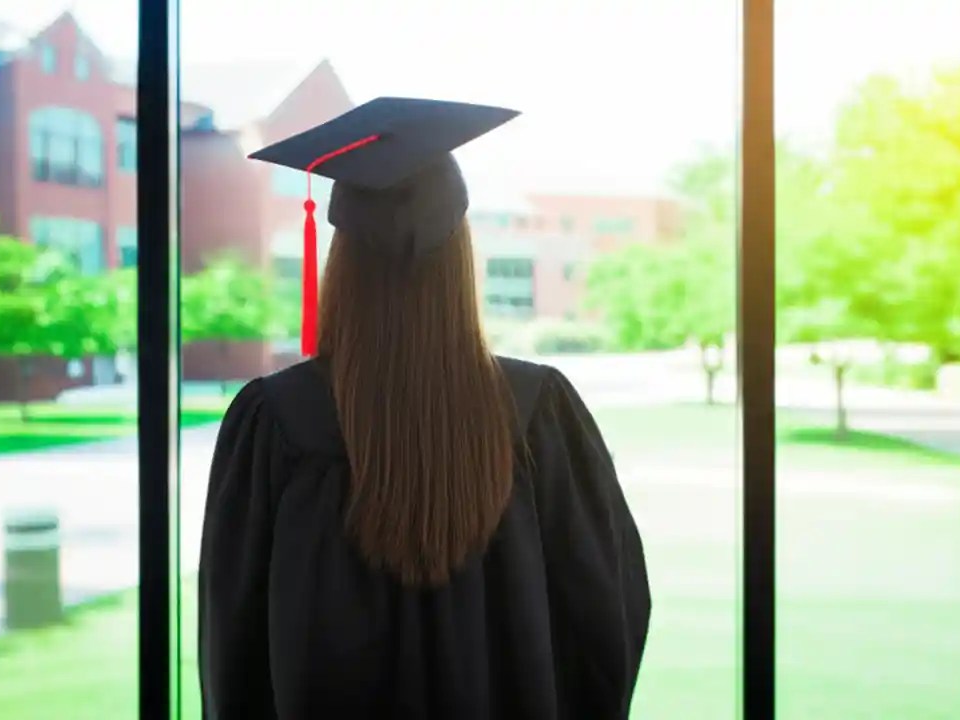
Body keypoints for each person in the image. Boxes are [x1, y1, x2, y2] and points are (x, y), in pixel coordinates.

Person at [198, 97, 651, 719]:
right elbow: (606, 622)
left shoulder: (272, 421)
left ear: (340, 262)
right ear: (460, 257)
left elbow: (233, 647)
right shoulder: (539, 411)